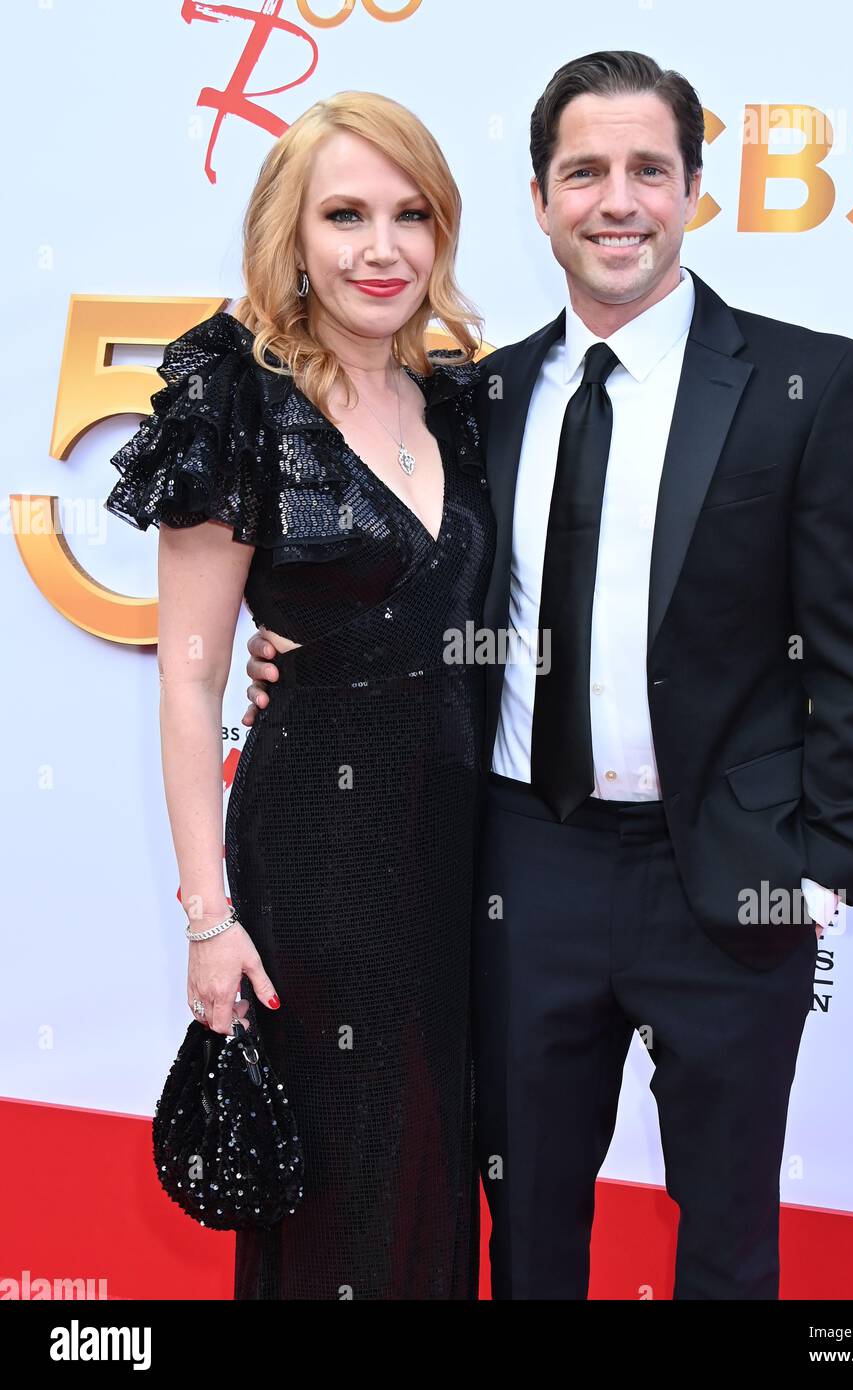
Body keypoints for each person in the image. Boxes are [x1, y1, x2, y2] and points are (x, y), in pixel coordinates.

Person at [243, 52, 853, 1299]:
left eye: (647, 170)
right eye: (584, 172)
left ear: (695, 191)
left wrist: (824, 874)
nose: (617, 201)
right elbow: (395, 565)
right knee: (529, 1234)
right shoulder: (475, 399)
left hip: (728, 874)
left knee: (725, 1237)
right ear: (543, 200)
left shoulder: (807, 384)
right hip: (519, 867)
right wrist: (296, 641)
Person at [105, 91, 495, 1300]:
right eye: (346, 214)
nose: (382, 247)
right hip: (318, 851)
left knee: (434, 1152)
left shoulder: (463, 401)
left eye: (409, 213)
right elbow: (190, 675)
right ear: (291, 232)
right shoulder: (239, 401)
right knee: (344, 1163)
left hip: (464, 850)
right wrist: (209, 918)